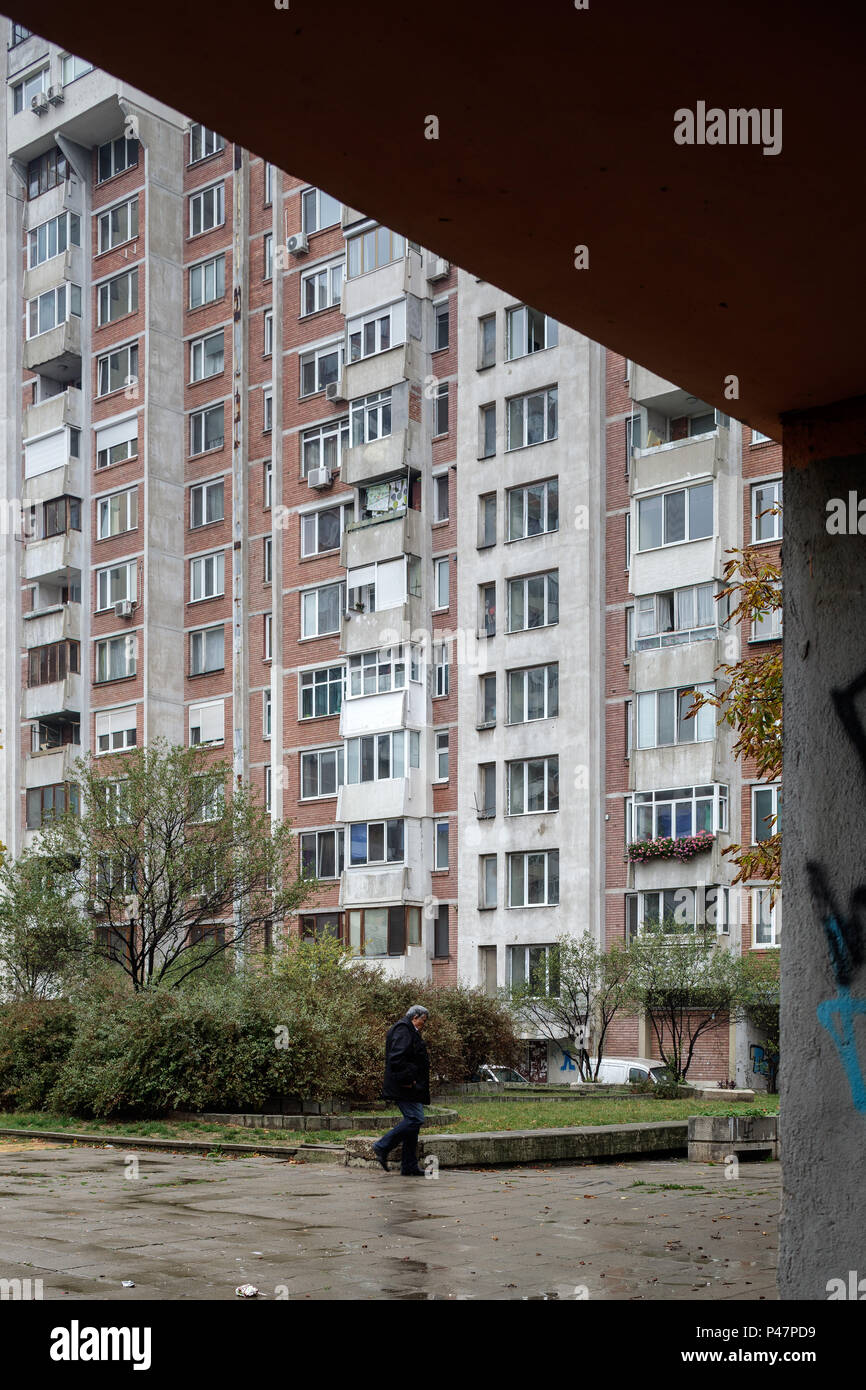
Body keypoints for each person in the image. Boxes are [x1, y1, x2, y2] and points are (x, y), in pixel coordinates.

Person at [372, 1005, 430, 1176]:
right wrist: (409, 1079)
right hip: (404, 1085)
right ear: (415, 1017)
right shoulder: (403, 1029)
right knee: (415, 1119)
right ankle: (382, 1146)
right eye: (423, 1020)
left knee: (413, 1127)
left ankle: (409, 1166)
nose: (423, 1024)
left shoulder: (408, 1030)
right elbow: (397, 1058)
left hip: (410, 1086)